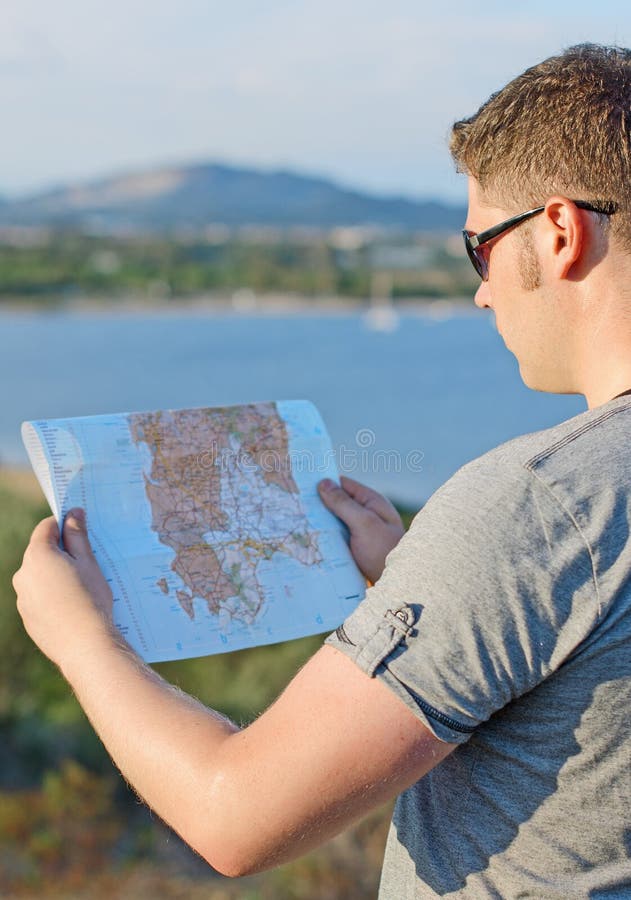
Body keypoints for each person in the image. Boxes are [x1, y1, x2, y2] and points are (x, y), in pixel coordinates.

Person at [13, 43, 631, 897]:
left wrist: (80, 640)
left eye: (478, 248)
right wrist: (417, 581)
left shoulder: (536, 507)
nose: (482, 292)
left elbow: (235, 816)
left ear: (560, 233)